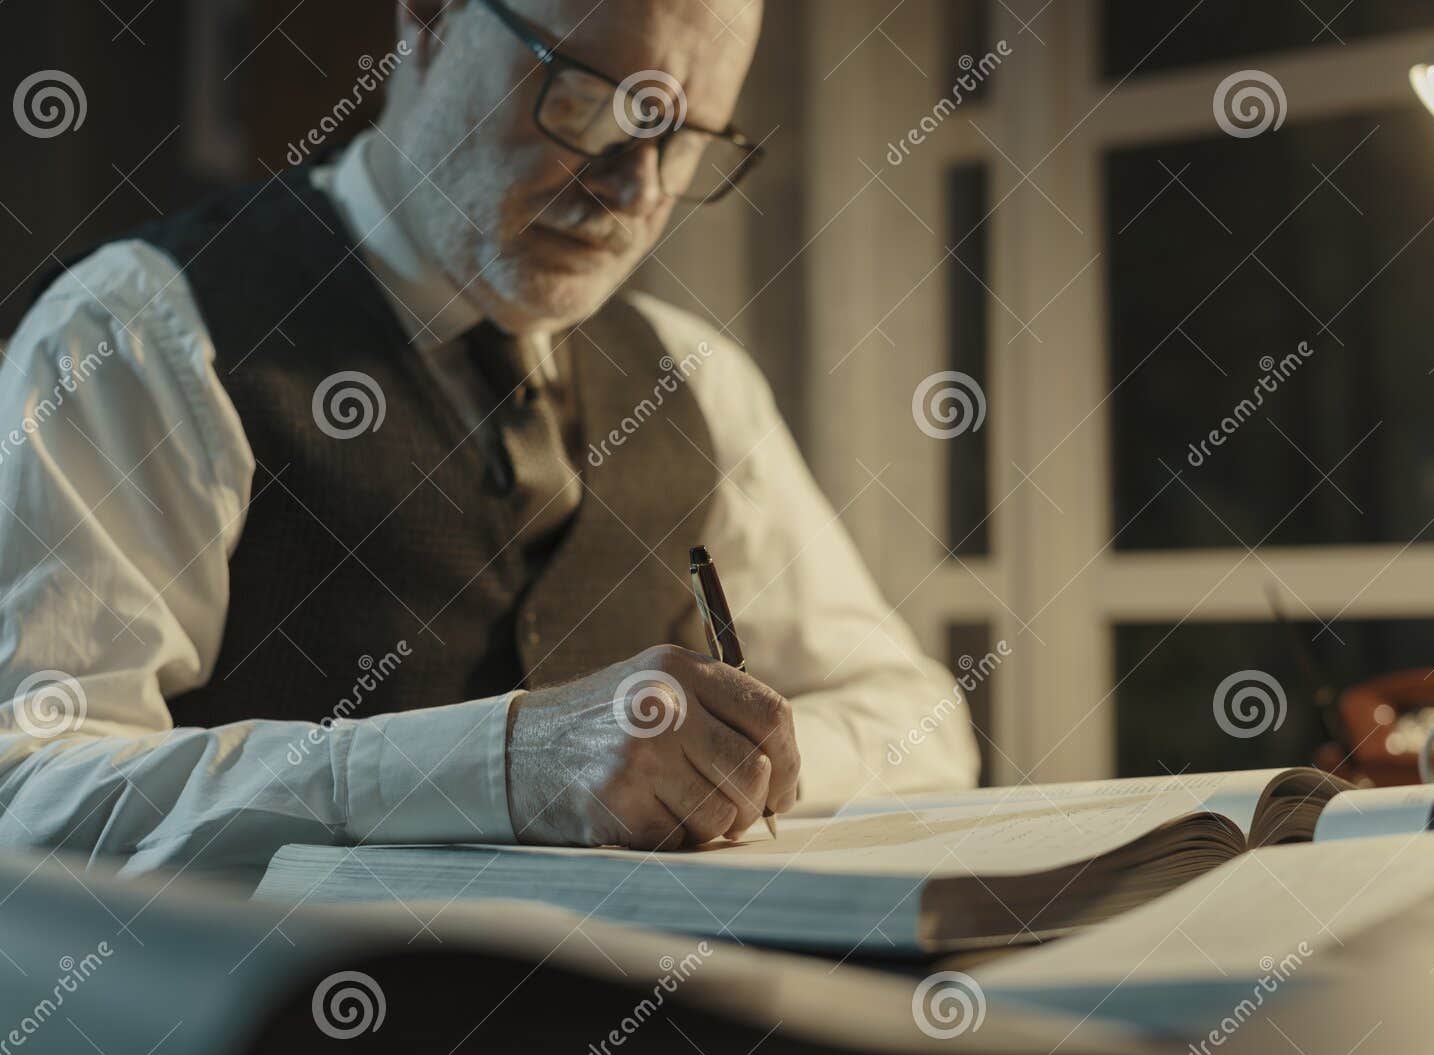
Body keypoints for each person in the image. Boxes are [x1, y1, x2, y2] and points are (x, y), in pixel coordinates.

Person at [0, 0, 977, 876]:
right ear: (425, 20)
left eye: (682, 136)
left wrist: (730, 762)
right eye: (591, 99)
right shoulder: (136, 333)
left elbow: (920, 722)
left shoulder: (697, 376)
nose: (634, 189)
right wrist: (508, 765)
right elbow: (30, 793)